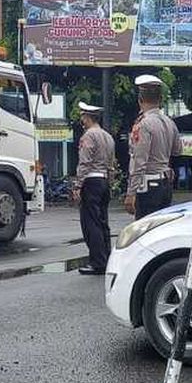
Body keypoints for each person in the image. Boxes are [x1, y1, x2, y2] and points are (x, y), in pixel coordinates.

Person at [125, 74, 181, 220]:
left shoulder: (143, 124)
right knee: (161, 228)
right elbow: (177, 151)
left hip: (148, 185)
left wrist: (131, 192)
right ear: (160, 99)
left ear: (140, 100)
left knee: (145, 228)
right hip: (165, 183)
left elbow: (139, 161)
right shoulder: (170, 122)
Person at [73, 101, 116, 276]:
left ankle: (97, 262)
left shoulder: (88, 136)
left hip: (91, 181)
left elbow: (85, 162)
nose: (81, 120)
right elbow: (112, 164)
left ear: (87, 117)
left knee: (91, 224)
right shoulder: (108, 137)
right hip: (104, 181)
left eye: (83, 116)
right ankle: (107, 258)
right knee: (103, 223)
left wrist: (78, 185)